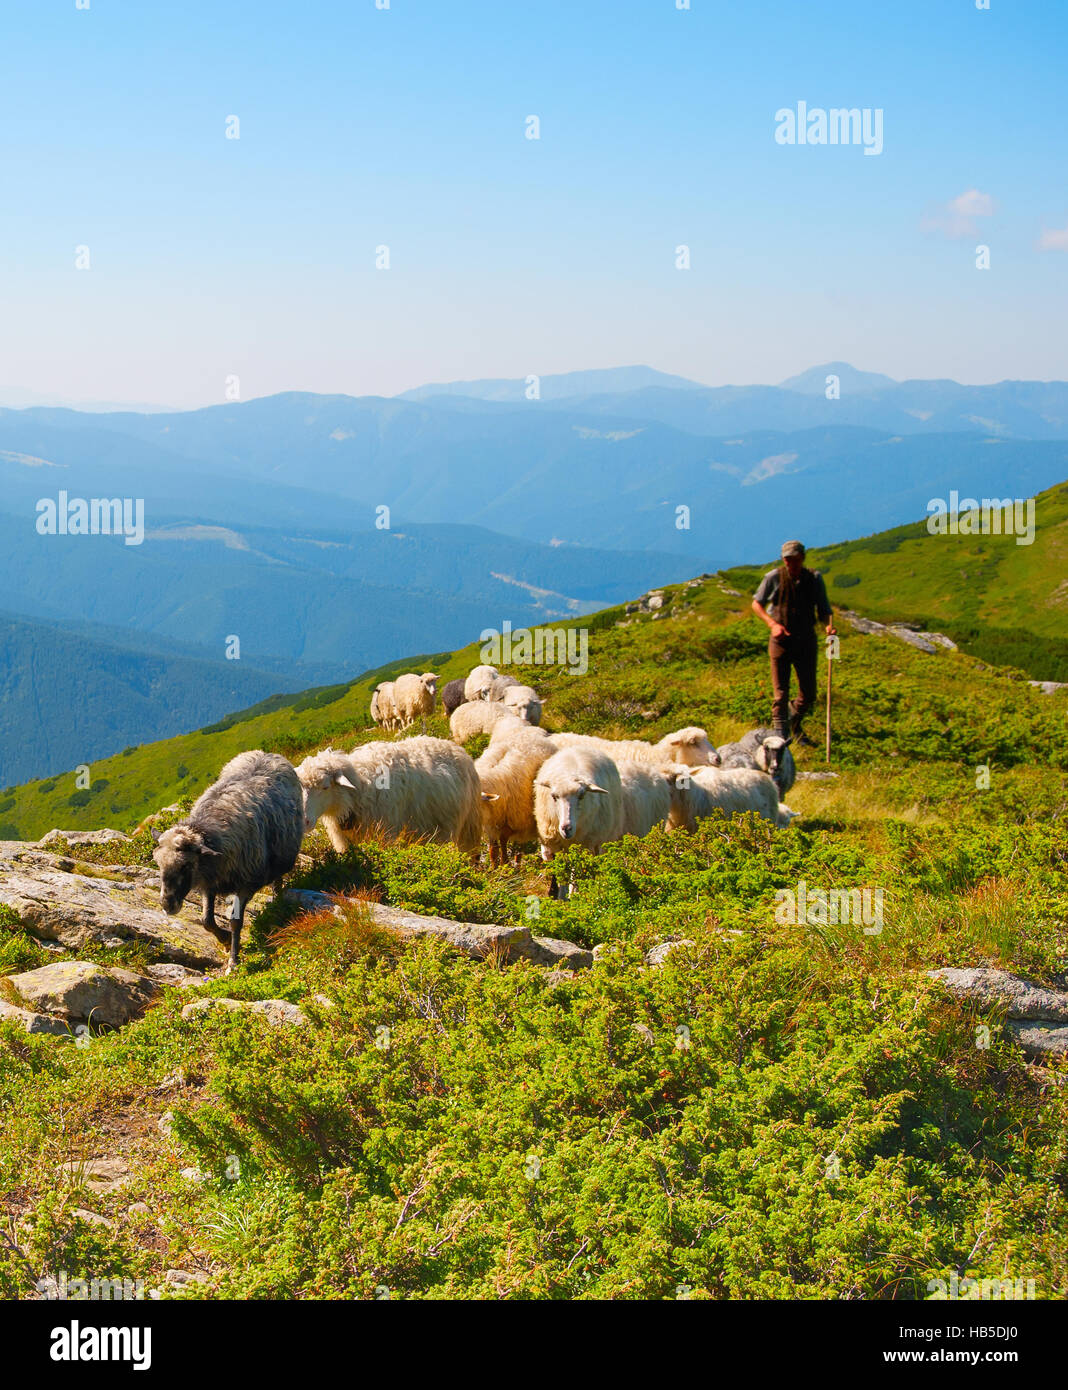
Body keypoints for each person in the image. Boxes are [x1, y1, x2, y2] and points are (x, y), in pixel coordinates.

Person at [751, 540, 836, 746]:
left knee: (808, 694)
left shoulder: (814, 579)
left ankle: (792, 722)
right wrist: (772, 624)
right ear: (783, 559)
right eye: (788, 560)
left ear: (803, 558)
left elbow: (824, 610)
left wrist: (828, 626)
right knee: (780, 693)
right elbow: (756, 604)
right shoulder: (773, 577)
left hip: (806, 642)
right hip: (780, 642)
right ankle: (781, 738)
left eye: (795, 559)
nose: (792, 564)